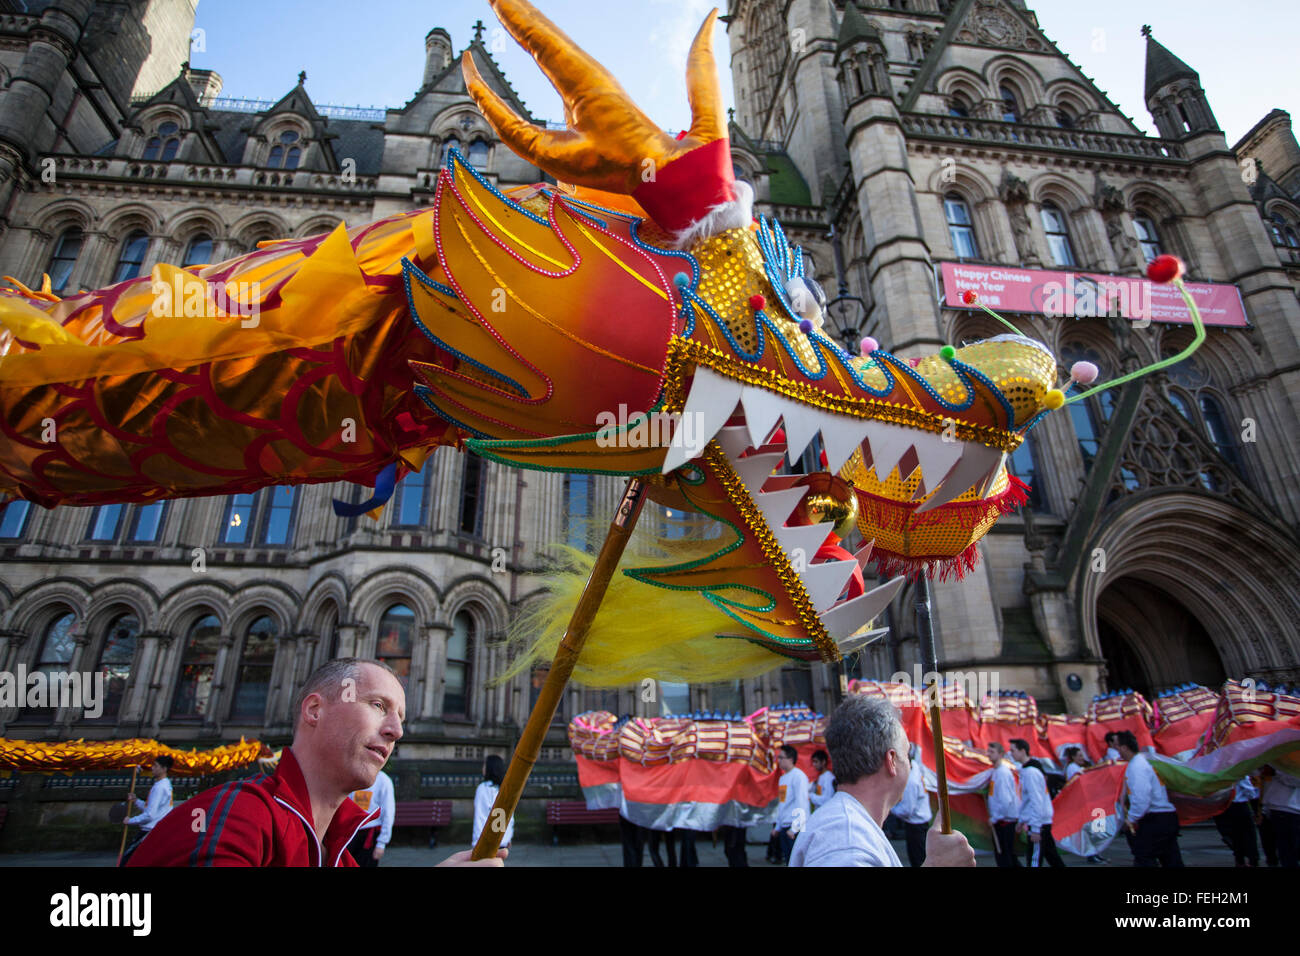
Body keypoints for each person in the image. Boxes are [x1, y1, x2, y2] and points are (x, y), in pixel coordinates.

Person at [127, 658, 504, 867]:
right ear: (314, 710)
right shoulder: (234, 817)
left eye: (401, 718)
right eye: (378, 706)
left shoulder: (340, 856)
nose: (396, 731)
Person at [789, 695, 974, 867]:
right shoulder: (847, 840)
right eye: (906, 754)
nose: (909, 765)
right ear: (892, 760)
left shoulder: (848, 828)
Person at [1116, 730, 1182, 867]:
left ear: (1124, 747)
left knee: (1144, 856)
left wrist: (1131, 819)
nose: (1116, 751)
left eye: (1117, 746)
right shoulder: (1141, 762)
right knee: (1170, 858)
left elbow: (1142, 798)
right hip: (1165, 817)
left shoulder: (1136, 766)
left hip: (1155, 819)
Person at [1010, 739, 1065, 868]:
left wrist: (1035, 828)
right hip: (1041, 822)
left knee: (1034, 859)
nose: (1011, 753)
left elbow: (1036, 801)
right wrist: (1022, 820)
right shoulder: (1029, 771)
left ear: (1023, 751)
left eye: (1013, 750)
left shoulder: (1030, 773)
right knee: (1051, 856)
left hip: (1039, 824)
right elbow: (1028, 801)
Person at [119, 754, 174, 866]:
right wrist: (136, 801)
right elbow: (151, 807)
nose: (152, 768)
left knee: (128, 859)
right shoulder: (164, 784)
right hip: (156, 829)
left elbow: (150, 815)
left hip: (149, 830)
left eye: (156, 766)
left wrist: (130, 820)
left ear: (164, 769)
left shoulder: (160, 787)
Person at [890, 743, 932, 866]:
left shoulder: (911, 782)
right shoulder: (916, 768)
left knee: (918, 860)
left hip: (916, 825)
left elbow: (907, 810)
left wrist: (890, 808)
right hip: (919, 823)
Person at [346, 765, 395, 866]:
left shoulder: (383, 781)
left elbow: (388, 814)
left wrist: (381, 843)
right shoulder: (353, 777)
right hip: (351, 832)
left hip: (370, 835)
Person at [772, 745, 810, 864]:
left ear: (791, 759)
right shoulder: (783, 778)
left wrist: (794, 829)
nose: (779, 761)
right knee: (789, 861)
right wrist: (778, 827)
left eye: (781, 757)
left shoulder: (798, 776)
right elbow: (782, 804)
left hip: (794, 830)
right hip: (785, 827)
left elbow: (802, 803)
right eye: (778, 758)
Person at [986, 741, 1020, 868]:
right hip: (1001, 819)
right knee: (1007, 855)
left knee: (1004, 856)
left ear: (1000, 754)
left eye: (992, 752)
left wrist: (995, 818)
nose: (988, 755)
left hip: (1005, 820)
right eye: (988, 751)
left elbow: (1006, 800)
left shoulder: (1002, 773)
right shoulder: (996, 771)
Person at [1212, 775, 1259, 867]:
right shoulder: (1241, 775)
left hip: (1226, 805)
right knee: (1248, 834)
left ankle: (1239, 859)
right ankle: (1253, 859)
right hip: (1240, 805)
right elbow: (1250, 792)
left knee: (1236, 835)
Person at [1260, 764, 1300, 868]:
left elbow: (1296, 779)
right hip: (1281, 807)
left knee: (1289, 849)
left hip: (1289, 808)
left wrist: (1277, 771)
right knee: (1286, 849)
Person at [472, 755, 515, 850]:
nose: (482, 768)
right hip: (502, 841)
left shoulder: (483, 789)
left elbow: (480, 816)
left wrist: (477, 842)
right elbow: (508, 816)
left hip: (486, 843)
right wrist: (507, 837)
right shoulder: (505, 789)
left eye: (484, 765)